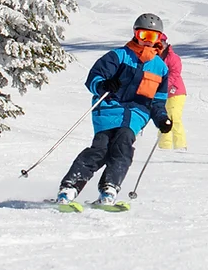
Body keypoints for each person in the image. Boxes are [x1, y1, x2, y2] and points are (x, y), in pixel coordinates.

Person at [55, 13, 172, 210]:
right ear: (135, 34)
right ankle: (69, 188)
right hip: (108, 109)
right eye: (143, 35)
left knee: (123, 145)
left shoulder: (160, 68)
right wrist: (104, 85)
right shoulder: (118, 56)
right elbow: (93, 78)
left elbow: (158, 101)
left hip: (136, 114)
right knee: (100, 148)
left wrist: (161, 119)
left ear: (159, 39)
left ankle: (109, 189)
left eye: (152, 37)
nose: (146, 41)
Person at [157, 35, 187, 151]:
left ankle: (180, 145)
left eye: (161, 43)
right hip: (161, 92)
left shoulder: (173, 57)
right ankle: (164, 145)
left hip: (176, 91)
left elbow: (175, 74)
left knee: (174, 116)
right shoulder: (154, 57)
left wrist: (163, 86)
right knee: (162, 117)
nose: (159, 46)